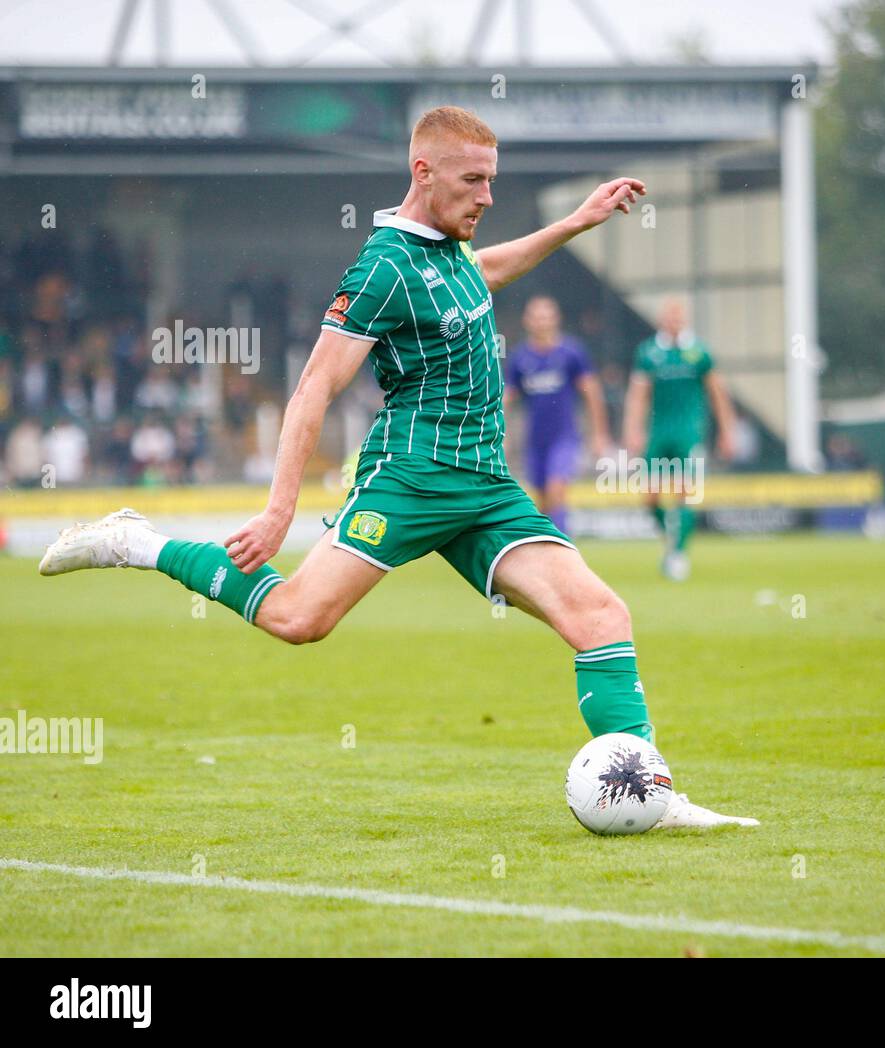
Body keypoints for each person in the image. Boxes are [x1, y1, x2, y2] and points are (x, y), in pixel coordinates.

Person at [38, 106, 755, 830]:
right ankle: (138, 543)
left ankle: (650, 795)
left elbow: (486, 273)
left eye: (492, 180)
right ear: (424, 172)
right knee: (297, 618)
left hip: (486, 487)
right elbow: (315, 385)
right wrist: (279, 510)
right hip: (410, 478)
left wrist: (575, 223)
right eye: (473, 180)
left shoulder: (452, 248)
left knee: (602, 616)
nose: (487, 196)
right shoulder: (383, 266)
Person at [621, 300, 736, 581]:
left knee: (685, 491)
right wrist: (632, 430)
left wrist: (727, 431)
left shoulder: (698, 353)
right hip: (658, 433)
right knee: (649, 496)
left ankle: (677, 554)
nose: (673, 321)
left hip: (689, 433)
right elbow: (638, 395)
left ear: (684, 319)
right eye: (669, 316)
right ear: (661, 320)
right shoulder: (649, 353)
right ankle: (672, 538)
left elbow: (718, 393)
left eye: (678, 316)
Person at [502, 295, 612, 535]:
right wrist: (502, 434)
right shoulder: (520, 357)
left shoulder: (572, 353)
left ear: (556, 319)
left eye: (546, 317)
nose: (541, 322)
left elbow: (592, 393)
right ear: (527, 321)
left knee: (556, 492)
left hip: (564, 437)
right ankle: (550, 553)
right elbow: (507, 398)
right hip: (535, 441)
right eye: (536, 317)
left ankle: (565, 553)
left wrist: (600, 434)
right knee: (542, 504)